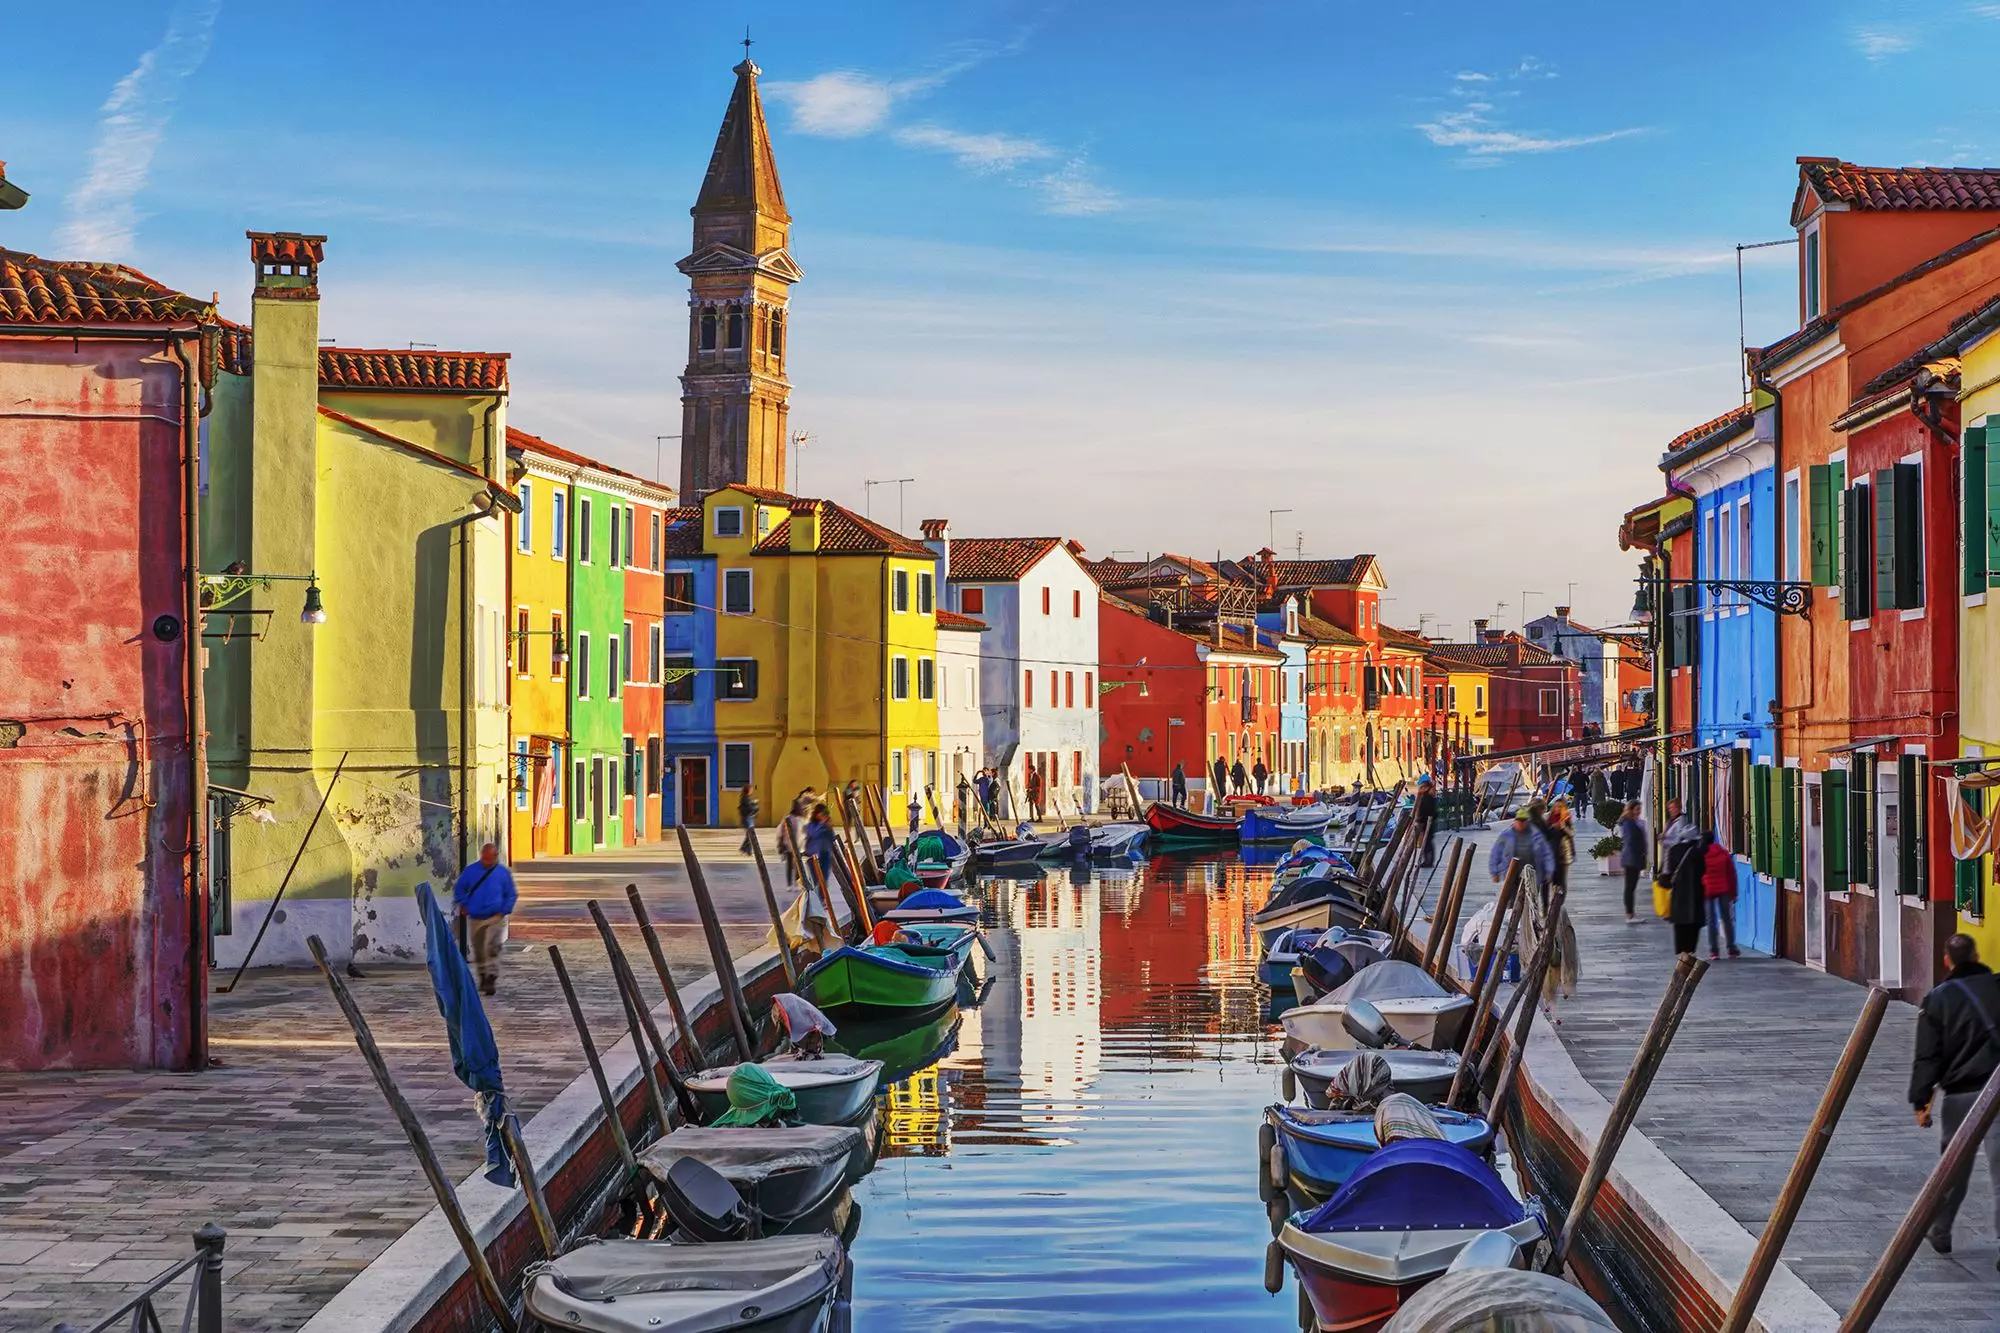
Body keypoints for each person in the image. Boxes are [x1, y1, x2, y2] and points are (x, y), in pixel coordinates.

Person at [1909, 934, 2000, 1261]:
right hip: (1997, 1093)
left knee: (1953, 1169)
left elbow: (1927, 1057)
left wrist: (1921, 1101)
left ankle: (1941, 1230)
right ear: (1976, 955)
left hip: (1961, 1097)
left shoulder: (1937, 999)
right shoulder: (1997, 987)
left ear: (1947, 960)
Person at [451, 843, 518, 996]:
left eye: (489, 859)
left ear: (495, 857)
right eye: (484, 859)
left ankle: (491, 977)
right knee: (479, 949)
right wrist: (465, 904)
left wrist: (505, 909)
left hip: (496, 916)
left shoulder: (502, 873)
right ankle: (482, 975)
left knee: (492, 947)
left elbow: (511, 894)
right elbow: (459, 889)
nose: (486, 862)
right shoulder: (471, 871)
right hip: (476, 917)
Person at [1666, 826, 1708, 956]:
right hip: (1695, 894)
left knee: (1680, 924)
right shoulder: (1699, 852)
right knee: (1693, 924)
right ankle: (1690, 951)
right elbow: (1703, 871)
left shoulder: (1673, 851)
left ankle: (1681, 951)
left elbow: (1668, 871)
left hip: (1678, 893)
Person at [1487, 809, 1555, 885]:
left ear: (1527, 822)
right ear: (1515, 821)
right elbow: (1496, 853)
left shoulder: (1536, 834)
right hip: (1511, 873)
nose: (1521, 823)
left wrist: (1549, 871)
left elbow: (1546, 853)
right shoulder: (1506, 835)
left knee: (1530, 894)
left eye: (1523, 821)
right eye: (1519, 820)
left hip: (1531, 872)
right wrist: (1494, 872)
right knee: (1511, 894)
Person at [1703, 831, 1740, 959]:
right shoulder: (1723, 853)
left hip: (1707, 891)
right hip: (1723, 889)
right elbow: (1732, 875)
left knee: (1711, 920)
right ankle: (1731, 948)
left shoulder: (1701, 855)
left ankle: (1714, 951)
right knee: (1727, 919)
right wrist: (1734, 893)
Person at [1617, 801, 1648, 923]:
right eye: (1637, 809)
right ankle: (1629, 915)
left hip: (1634, 858)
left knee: (1631, 887)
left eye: (1640, 809)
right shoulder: (1628, 823)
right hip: (1631, 859)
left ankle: (1630, 913)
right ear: (1630, 810)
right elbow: (1630, 840)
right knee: (1630, 887)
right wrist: (1638, 853)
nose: (1639, 811)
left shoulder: (1634, 822)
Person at [1543, 798, 1576, 893]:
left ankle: (1559, 900)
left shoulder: (1566, 818)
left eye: (1560, 807)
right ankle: (1554, 895)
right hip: (1552, 852)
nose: (1558, 809)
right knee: (1553, 875)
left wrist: (1564, 827)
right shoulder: (1549, 818)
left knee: (1562, 878)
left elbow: (1572, 833)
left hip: (1565, 852)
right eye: (1556, 806)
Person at [1414, 774, 1439, 868]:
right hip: (1426, 822)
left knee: (1427, 842)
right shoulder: (1427, 795)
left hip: (1427, 822)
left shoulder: (1427, 797)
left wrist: (1420, 819)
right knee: (1427, 842)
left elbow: (1426, 810)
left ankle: (1428, 861)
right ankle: (1427, 860)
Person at [737, 783, 761, 855]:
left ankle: (745, 849)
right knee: (750, 834)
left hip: (748, 818)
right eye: (751, 789)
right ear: (748, 790)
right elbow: (749, 808)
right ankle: (746, 849)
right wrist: (755, 806)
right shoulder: (745, 798)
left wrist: (753, 803)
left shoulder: (746, 798)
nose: (752, 790)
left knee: (749, 834)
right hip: (747, 818)